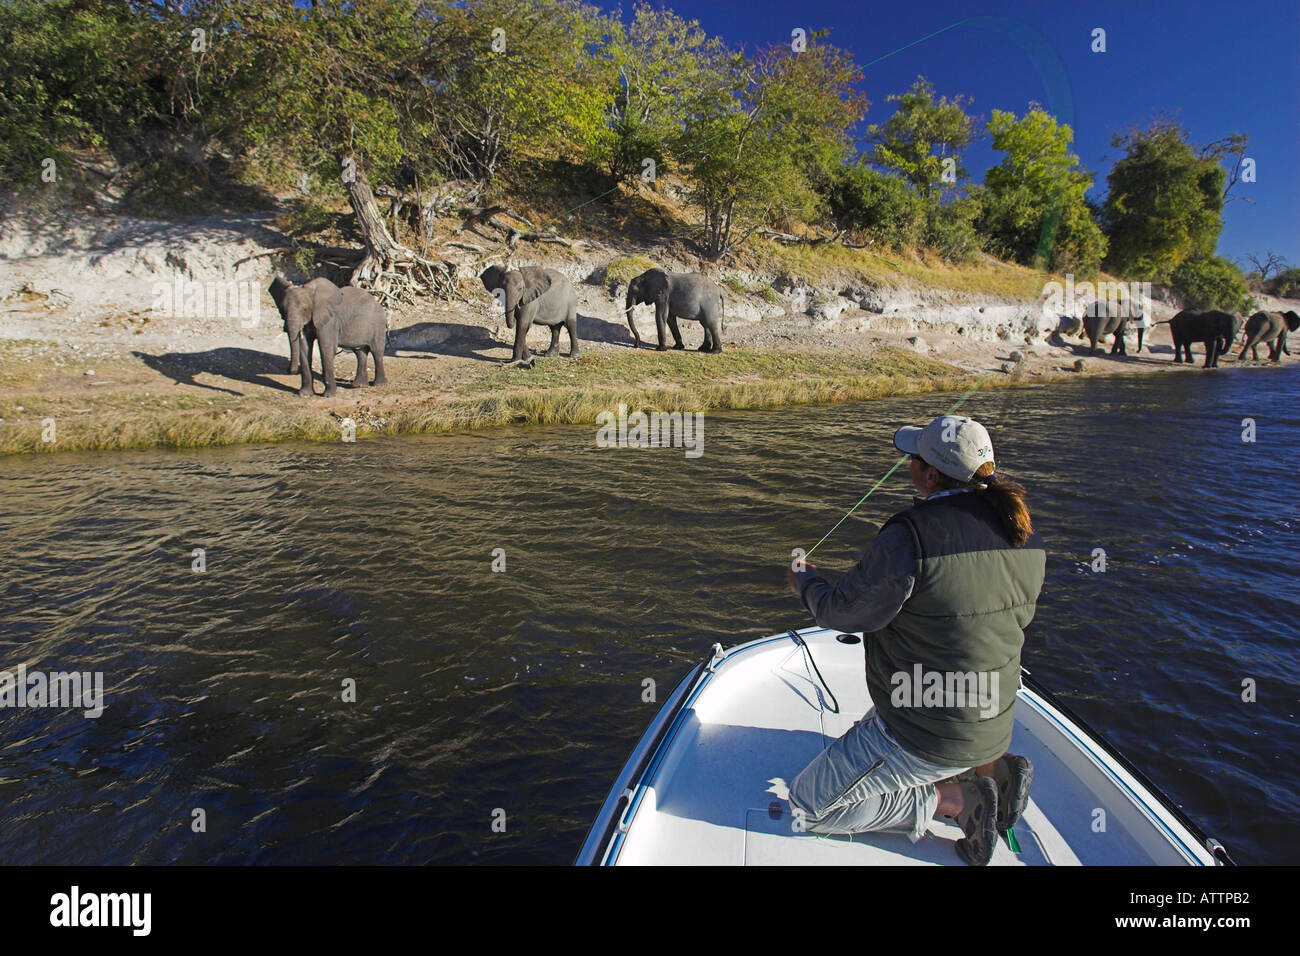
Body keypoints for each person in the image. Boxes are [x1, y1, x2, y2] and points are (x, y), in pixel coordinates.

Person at [785, 414, 1046, 865]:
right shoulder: (1023, 530)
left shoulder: (910, 537)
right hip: (994, 716)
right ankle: (992, 770)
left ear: (929, 474)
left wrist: (803, 582)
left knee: (807, 807)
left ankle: (958, 803)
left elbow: (844, 613)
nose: (907, 464)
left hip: (928, 727)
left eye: (913, 458)